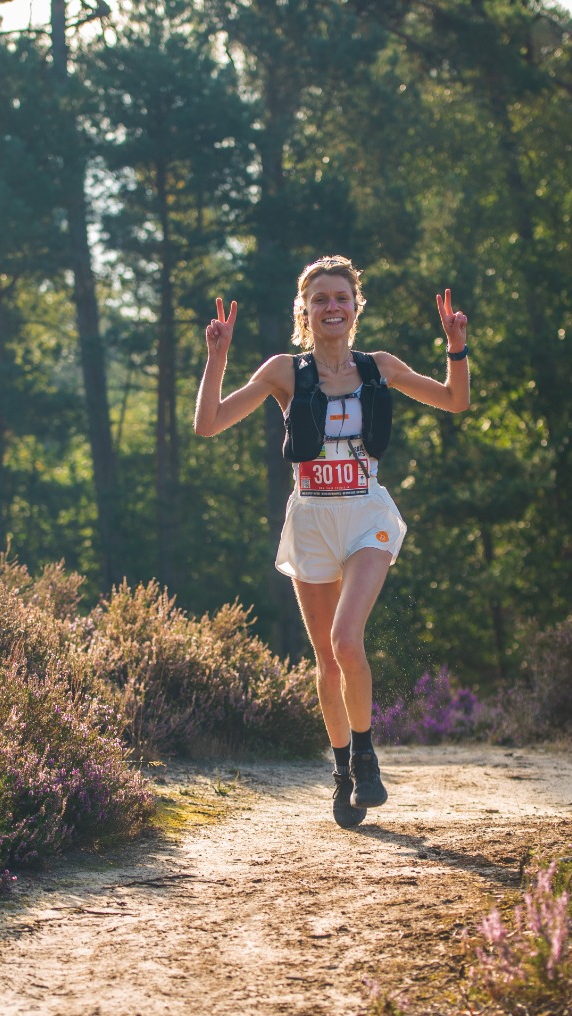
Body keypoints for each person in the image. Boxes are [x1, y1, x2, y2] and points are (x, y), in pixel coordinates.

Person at [193, 254, 471, 827]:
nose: (331, 307)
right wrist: (216, 357)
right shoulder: (282, 372)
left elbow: (455, 400)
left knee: (348, 640)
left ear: (355, 307)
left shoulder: (380, 367)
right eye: (319, 299)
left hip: (367, 514)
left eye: (341, 297)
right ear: (305, 311)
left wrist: (455, 347)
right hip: (312, 521)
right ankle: (342, 769)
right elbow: (209, 423)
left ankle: (367, 759)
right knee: (325, 658)